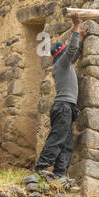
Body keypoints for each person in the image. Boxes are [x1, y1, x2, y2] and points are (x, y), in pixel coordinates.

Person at [28, 16, 82, 184]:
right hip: (63, 107)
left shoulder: (63, 65)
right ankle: (40, 168)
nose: (69, 54)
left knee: (66, 143)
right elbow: (72, 49)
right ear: (62, 54)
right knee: (57, 138)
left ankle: (59, 174)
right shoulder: (62, 64)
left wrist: (82, 38)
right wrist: (77, 26)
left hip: (66, 108)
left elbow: (75, 52)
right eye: (65, 51)